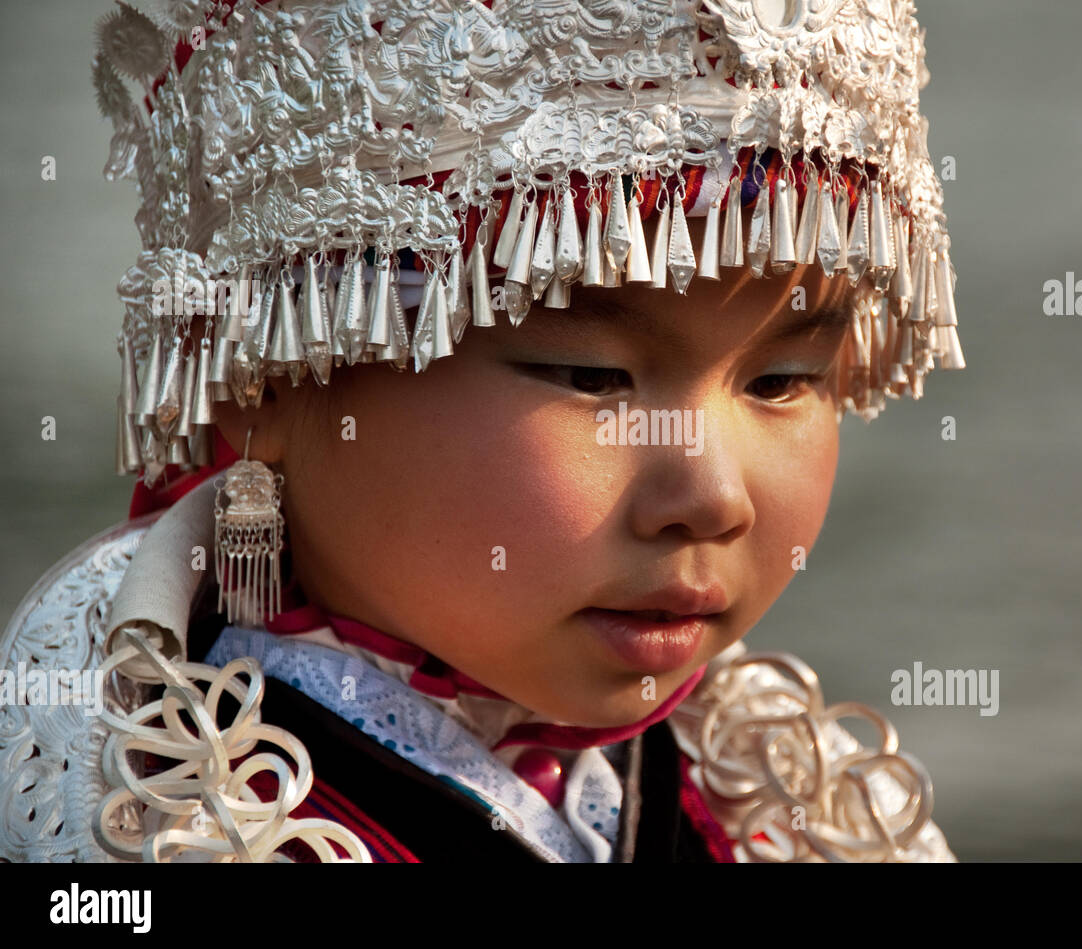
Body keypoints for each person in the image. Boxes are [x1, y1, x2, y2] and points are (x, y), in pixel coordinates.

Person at [0, 0, 964, 863]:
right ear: (268, 376)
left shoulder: (782, 804)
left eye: (783, 380)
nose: (714, 496)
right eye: (592, 375)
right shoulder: (154, 822)